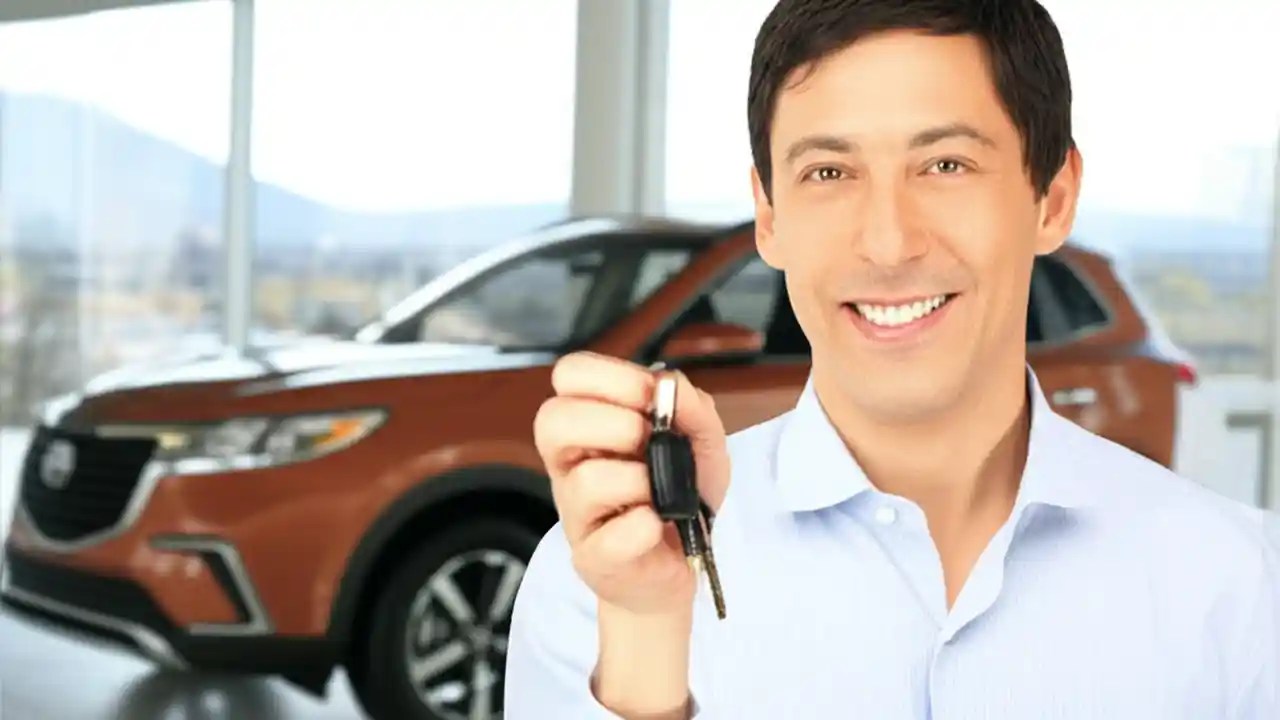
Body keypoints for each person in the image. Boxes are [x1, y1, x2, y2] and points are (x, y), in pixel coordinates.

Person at [504, 0, 1280, 717]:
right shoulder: (598, 589)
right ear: (768, 216)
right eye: (829, 173)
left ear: (1053, 198)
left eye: (945, 164)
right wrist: (646, 640)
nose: (887, 242)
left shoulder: (1243, 589)